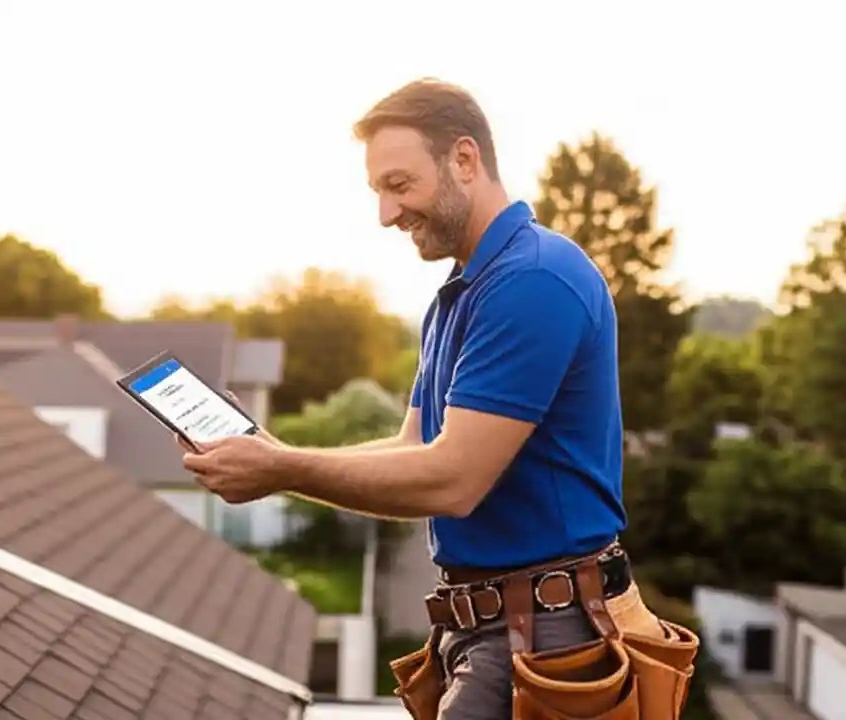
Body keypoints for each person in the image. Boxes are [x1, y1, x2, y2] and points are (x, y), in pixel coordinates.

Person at [181, 78, 663, 718]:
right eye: (378, 190)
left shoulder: (534, 280)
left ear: (465, 160)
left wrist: (280, 470)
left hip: (547, 637)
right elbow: (416, 448)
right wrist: (277, 453)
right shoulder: (464, 292)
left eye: (399, 185)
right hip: (495, 628)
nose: (385, 213)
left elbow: (451, 480)